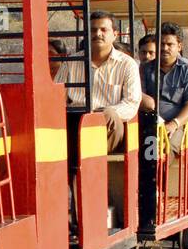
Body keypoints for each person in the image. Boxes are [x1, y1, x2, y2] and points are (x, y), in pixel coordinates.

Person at [58, 11, 141, 152]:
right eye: (93, 30)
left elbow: (131, 103)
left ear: (115, 34)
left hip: (108, 123)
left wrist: (104, 114)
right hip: (75, 118)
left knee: (110, 116)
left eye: (103, 29)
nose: (98, 34)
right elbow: (56, 98)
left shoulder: (127, 64)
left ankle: (90, 160)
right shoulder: (71, 62)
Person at [139, 23, 188, 153]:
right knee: (141, 149)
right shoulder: (145, 69)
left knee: (165, 149)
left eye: (169, 44)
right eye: (161, 44)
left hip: (176, 125)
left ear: (179, 46)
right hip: (148, 122)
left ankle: (160, 172)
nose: (164, 48)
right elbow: (140, 96)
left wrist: (174, 124)